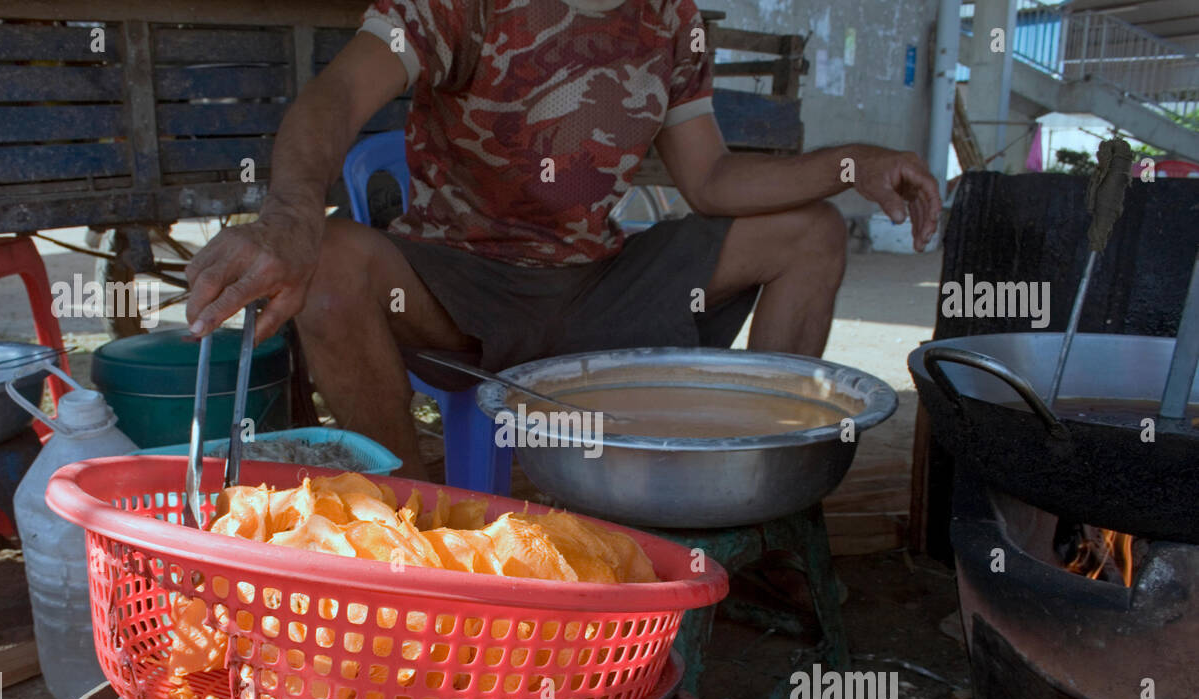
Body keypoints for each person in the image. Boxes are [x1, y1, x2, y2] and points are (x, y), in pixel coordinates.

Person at [185, 0, 941, 478]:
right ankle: (413, 524)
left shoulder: (675, 19)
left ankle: (757, 488)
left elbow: (709, 180)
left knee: (810, 232)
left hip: (597, 284)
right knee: (333, 262)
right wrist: (288, 216)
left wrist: (851, 164)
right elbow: (338, 93)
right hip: (456, 288)